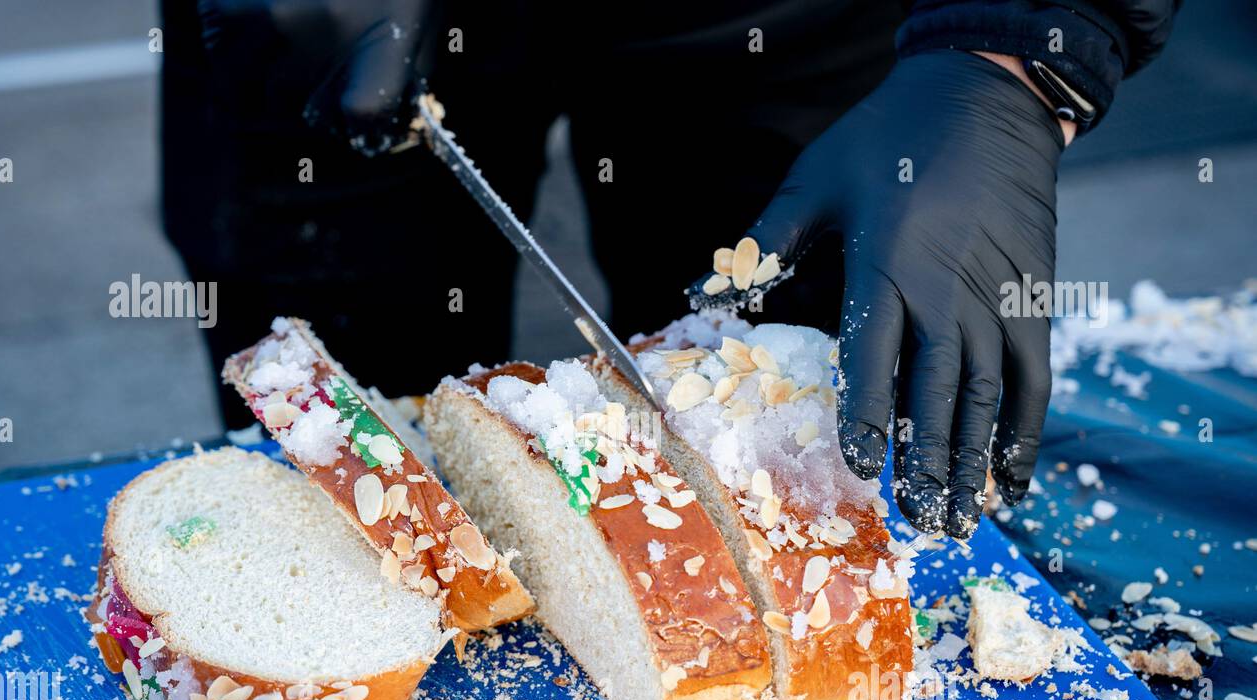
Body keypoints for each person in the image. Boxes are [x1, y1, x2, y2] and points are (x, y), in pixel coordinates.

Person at [160, 0, 1176, 538]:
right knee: (340, 409)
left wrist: (1011, 54)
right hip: (355, 19)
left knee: (785, 402)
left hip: (774, 19)